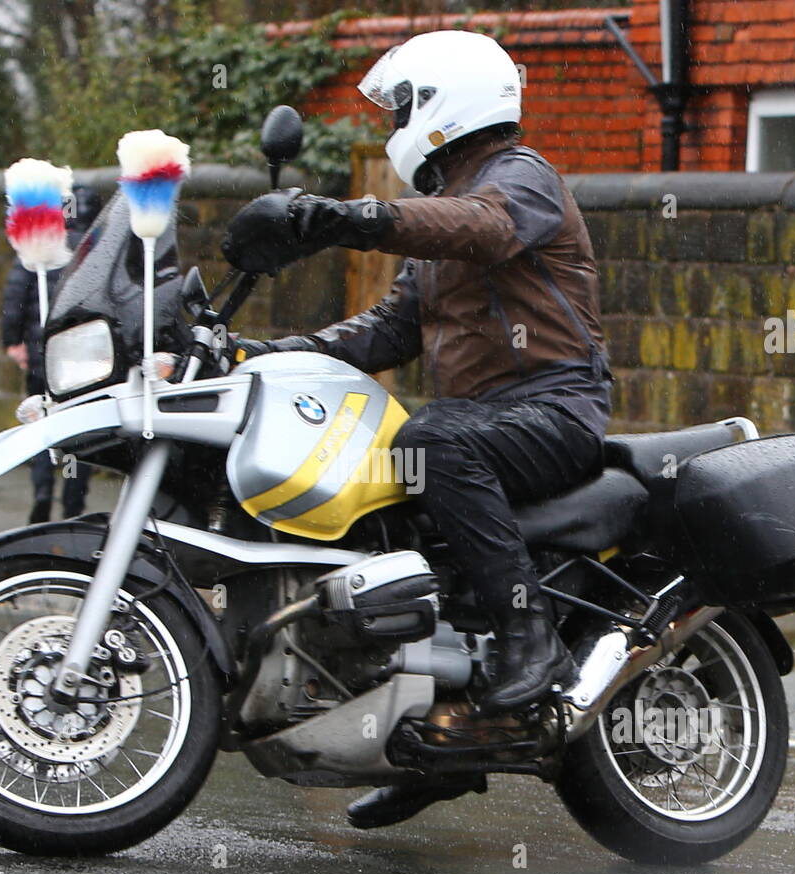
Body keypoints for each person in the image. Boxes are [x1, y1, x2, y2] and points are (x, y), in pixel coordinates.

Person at [222, 30, 613, 829]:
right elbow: (388, 331)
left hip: (553, 407)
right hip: (487, 418)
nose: (392, 121)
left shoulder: (518, 179)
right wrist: (265, 354)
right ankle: (431, 733)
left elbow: (484, 227)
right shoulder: (448, 210)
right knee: (380, 501)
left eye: (400, 105)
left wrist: (346, 216)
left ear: (441, 104)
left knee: (429, 439)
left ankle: (528, 635)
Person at [1, 184, 103, 523]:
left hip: (42, 355)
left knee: (42, 426)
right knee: (83, 431)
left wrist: (13, 341)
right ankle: (73, 503)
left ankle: (42, 489)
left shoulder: (39, 245)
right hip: (84, 361)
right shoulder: (99, 250)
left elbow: (15, 296)